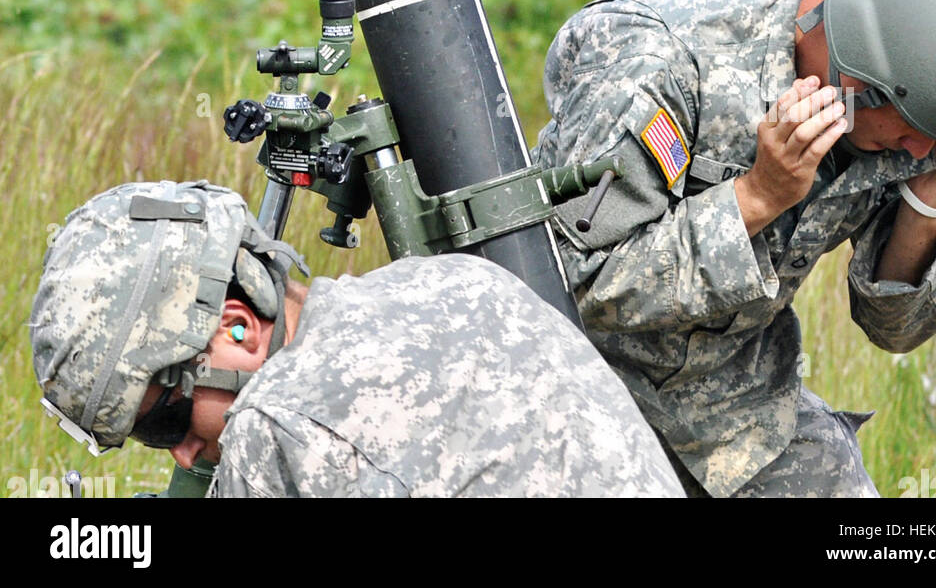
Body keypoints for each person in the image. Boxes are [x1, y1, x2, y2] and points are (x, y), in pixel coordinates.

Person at [533, 0, 936, 498]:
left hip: (738, 412)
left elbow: (897, 332)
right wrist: (757, 197)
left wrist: (924, 203)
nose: (919, 152)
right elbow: (574, 288)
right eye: (914, 133)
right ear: (858, 74)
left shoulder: (910, 119)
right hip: (576, 388)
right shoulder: (658, 56)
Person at [30, 178, 685, 498]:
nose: (181, 457)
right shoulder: (458, 282)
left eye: (168, 425)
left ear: (239, 326)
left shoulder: (280, 425)